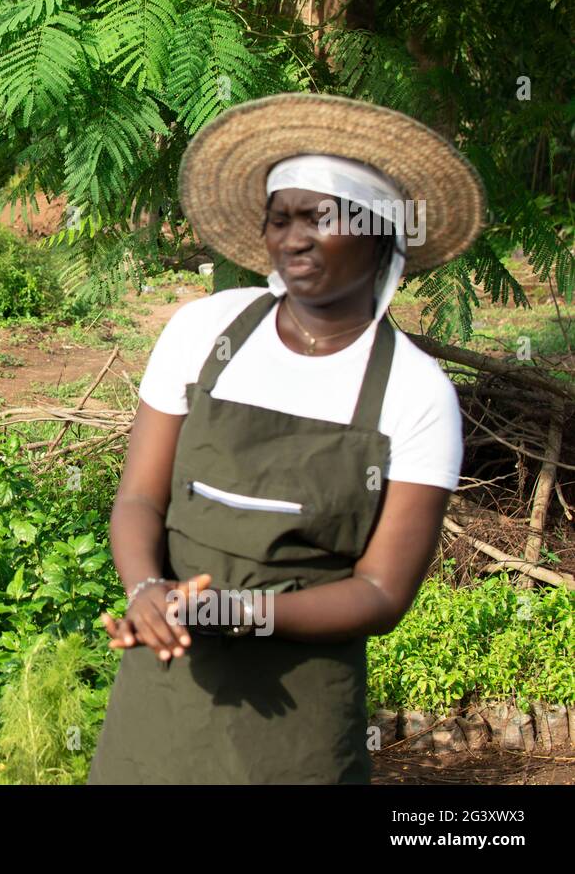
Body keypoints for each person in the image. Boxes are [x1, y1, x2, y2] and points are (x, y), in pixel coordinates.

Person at [88, 93, 487, 784]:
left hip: (298, 717)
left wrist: (247, 613)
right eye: (280, 219)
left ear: (381, 234)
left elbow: (382, 593)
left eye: (319, 218)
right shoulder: (203, 332)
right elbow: (138, 501)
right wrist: (147, 588)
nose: (293, 239)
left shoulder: (414, 394)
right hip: (168, 685)